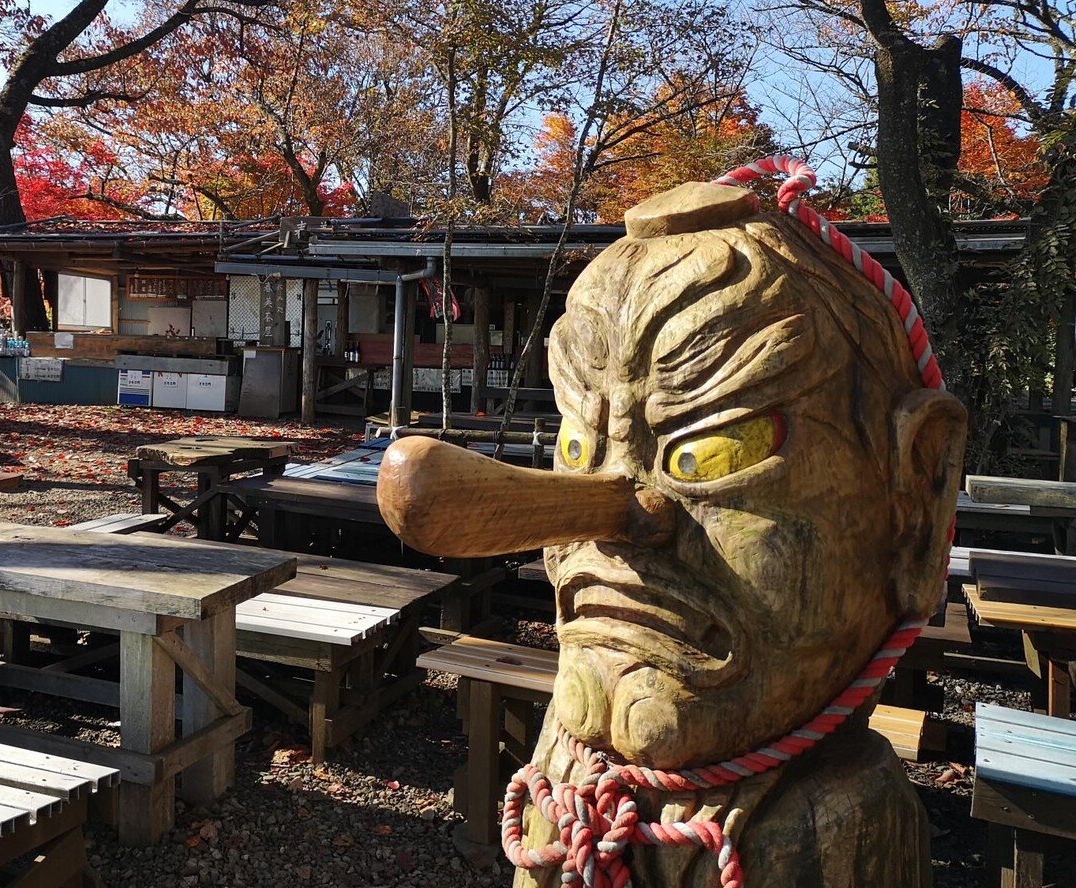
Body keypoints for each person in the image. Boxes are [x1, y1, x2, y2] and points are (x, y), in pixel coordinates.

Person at [378, 178, 965, 887]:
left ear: (916, 505)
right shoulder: (563, 781)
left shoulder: (842, 813)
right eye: (576, 446)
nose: (598, 512)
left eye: (716, 449)